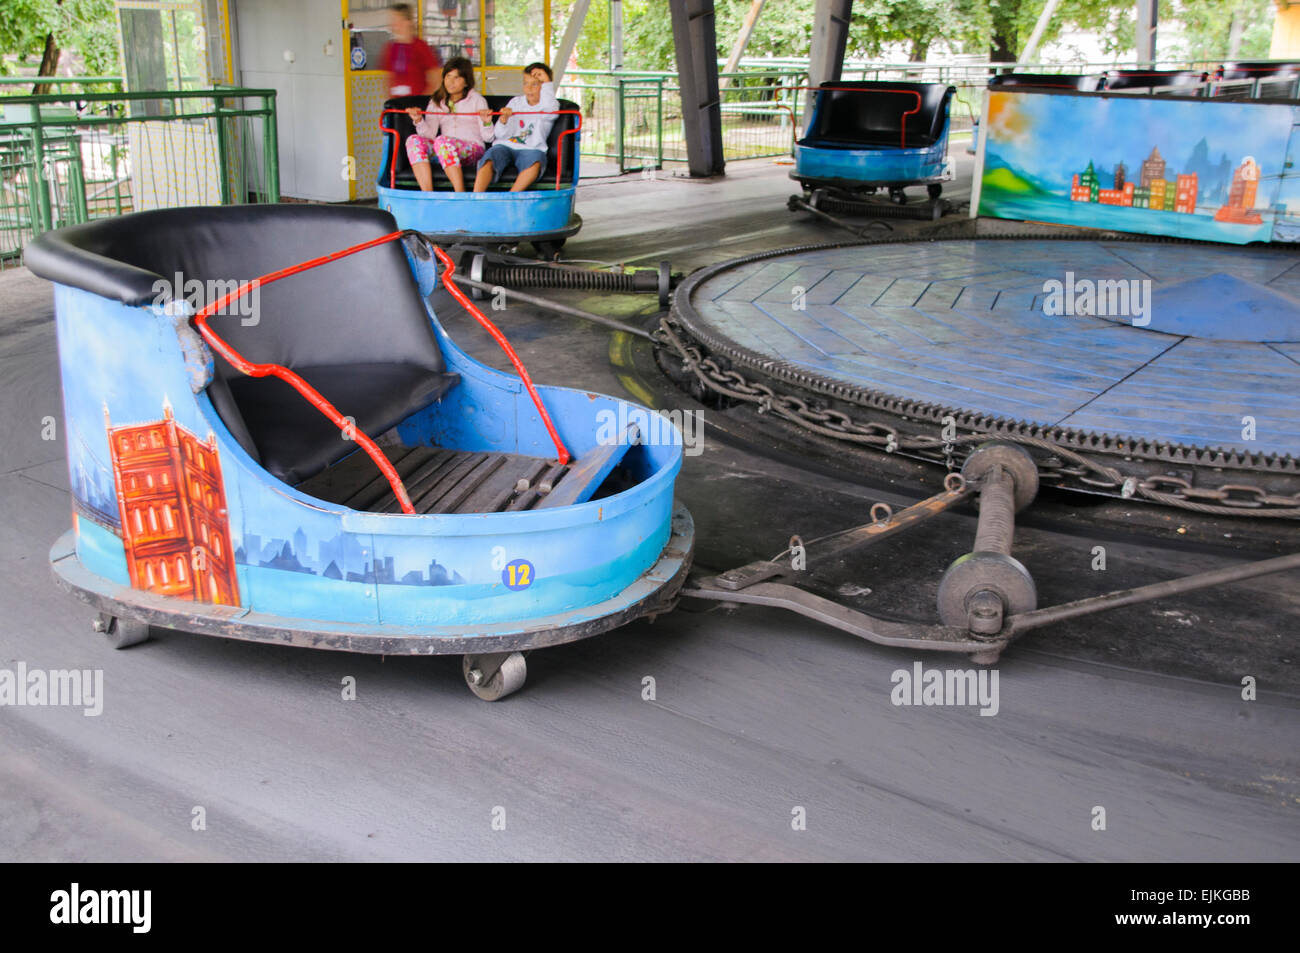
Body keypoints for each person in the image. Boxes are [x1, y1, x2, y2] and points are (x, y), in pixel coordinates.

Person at [405, 57, 492, 192]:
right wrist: (418, 120)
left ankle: (459, 194)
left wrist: (487, 122)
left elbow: (488, 138)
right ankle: (428, 194)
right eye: (448, 76)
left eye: (457, 78)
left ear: (466, 82)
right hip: (444, 150)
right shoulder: (437, 101)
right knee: (413, 140)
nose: (451, 82)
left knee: (442, 141)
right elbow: (430, 135)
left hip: (473, 150)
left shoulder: (477, 100)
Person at [473, 63, 559, 193]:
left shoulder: (550, 105)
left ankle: (511, 197)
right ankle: (476, 198)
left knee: (535, 162)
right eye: (526, 83)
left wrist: (547, 81)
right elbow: (500, 135)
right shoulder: (515, 102)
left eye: (535, 84)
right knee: (490, 156)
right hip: (505, 146)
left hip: (531, 149)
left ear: (544, 86)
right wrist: (503, 121)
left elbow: (550, 109)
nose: (529, 88)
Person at [380, 3, 441, 98]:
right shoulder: (390, 48)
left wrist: (421, 102)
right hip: (397, 106)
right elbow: (387, 79)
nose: (394, 25)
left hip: (417, 106)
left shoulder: (420, 46)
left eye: (397, 20)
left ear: (408, 22)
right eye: (392, 20)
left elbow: (436, 79)